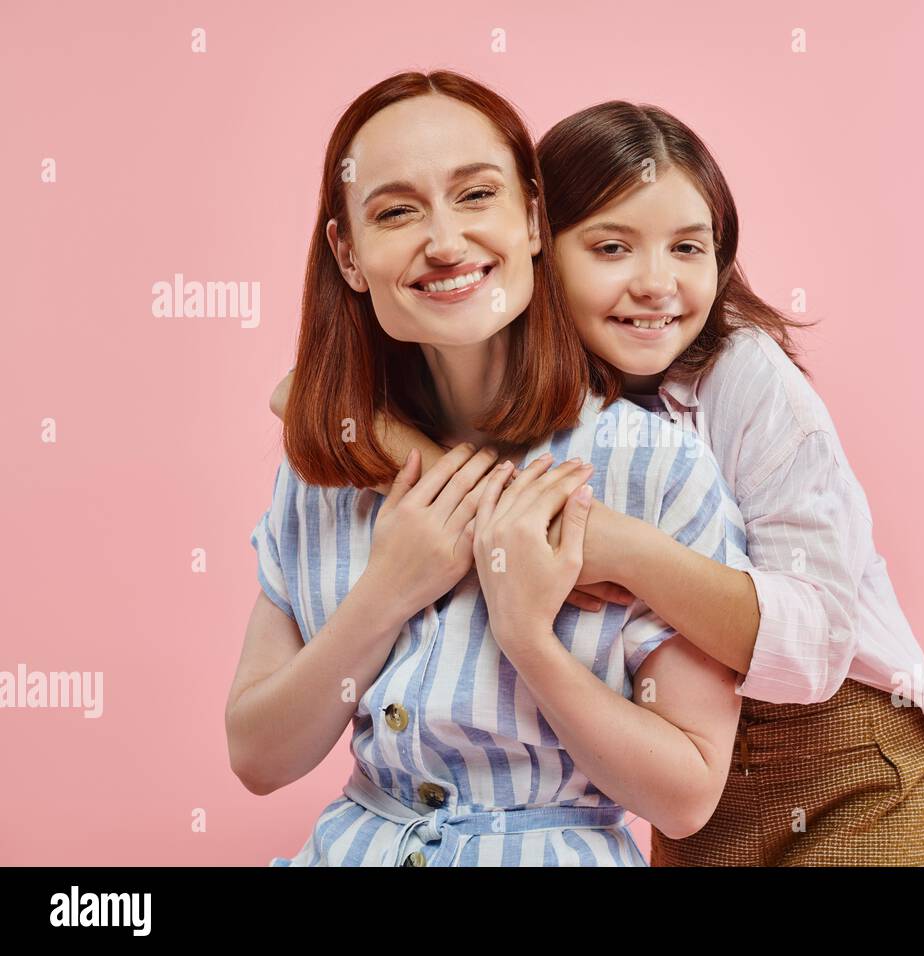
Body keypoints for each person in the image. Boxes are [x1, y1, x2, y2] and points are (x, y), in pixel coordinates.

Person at [226, 72, 749, 867]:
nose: (443, 242)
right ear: (349, 254)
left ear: (533, 219)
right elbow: (259, 757)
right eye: (396, 211)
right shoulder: (327, 466)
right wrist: (387, 591)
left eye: (476, 196)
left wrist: (526, 637)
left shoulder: (656, 469)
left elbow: (685, 796)